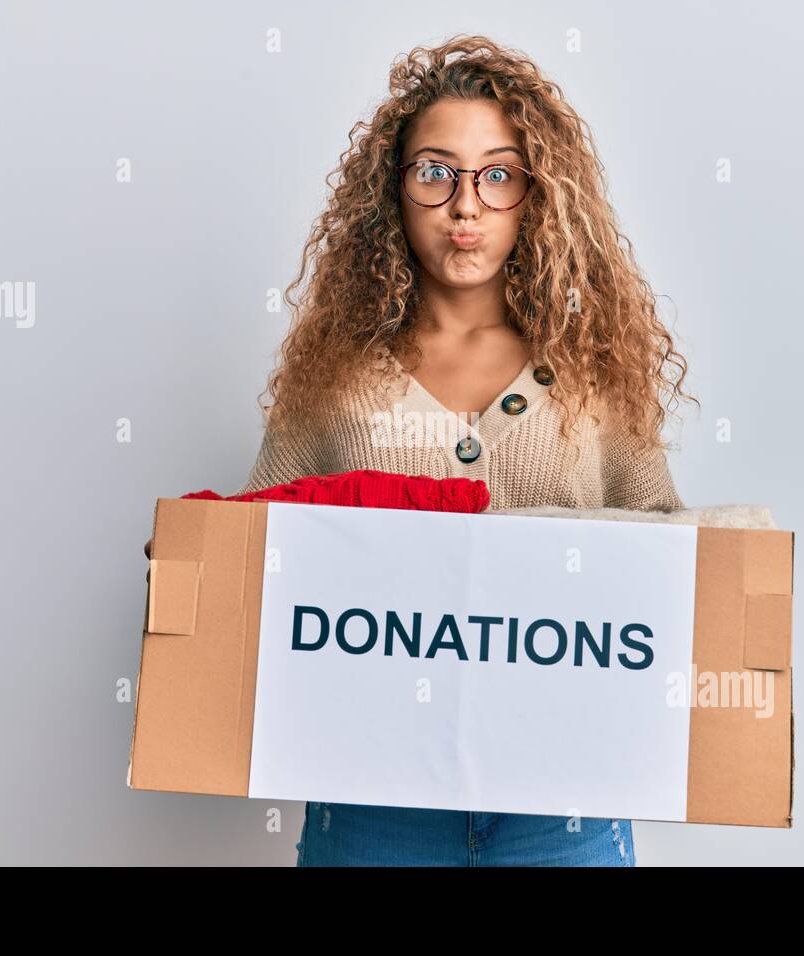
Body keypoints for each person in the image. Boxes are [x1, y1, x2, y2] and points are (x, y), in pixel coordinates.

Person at [149, 34, 698, 866]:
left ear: (535, 195)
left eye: (498, 174)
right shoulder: (336, 378)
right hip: (374, 811)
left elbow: (661, 566)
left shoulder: (596, 375)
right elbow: (260, 546)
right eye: (435, 172)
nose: (465, 206)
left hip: (564, 812)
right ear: (394, 194)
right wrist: (194, 562)